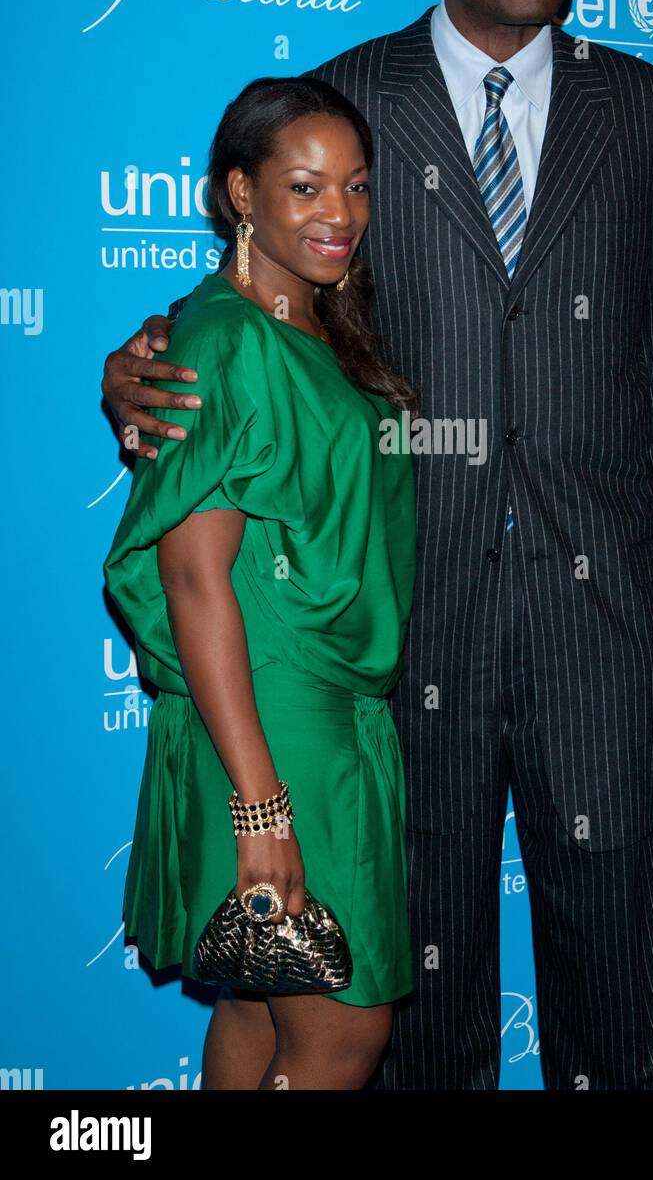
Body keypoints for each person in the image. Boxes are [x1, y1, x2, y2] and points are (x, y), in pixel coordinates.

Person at [102, 0, 653, 1090]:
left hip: (597, 615)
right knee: (411, 984)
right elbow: (255, 310)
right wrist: (128, 367)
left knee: (615, 963)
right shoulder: (352, 102)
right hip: (408, 624)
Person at [103, 77, 418, 1090]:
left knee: (259, 998)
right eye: (306, 187)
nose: (340, 214)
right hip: (277, 723)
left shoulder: (309, 321)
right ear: (241, 194)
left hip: (323, 712)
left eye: (357, 187)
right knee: (340, 1035)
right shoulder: (227, 341)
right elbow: (193, 579)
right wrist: (260, 808)